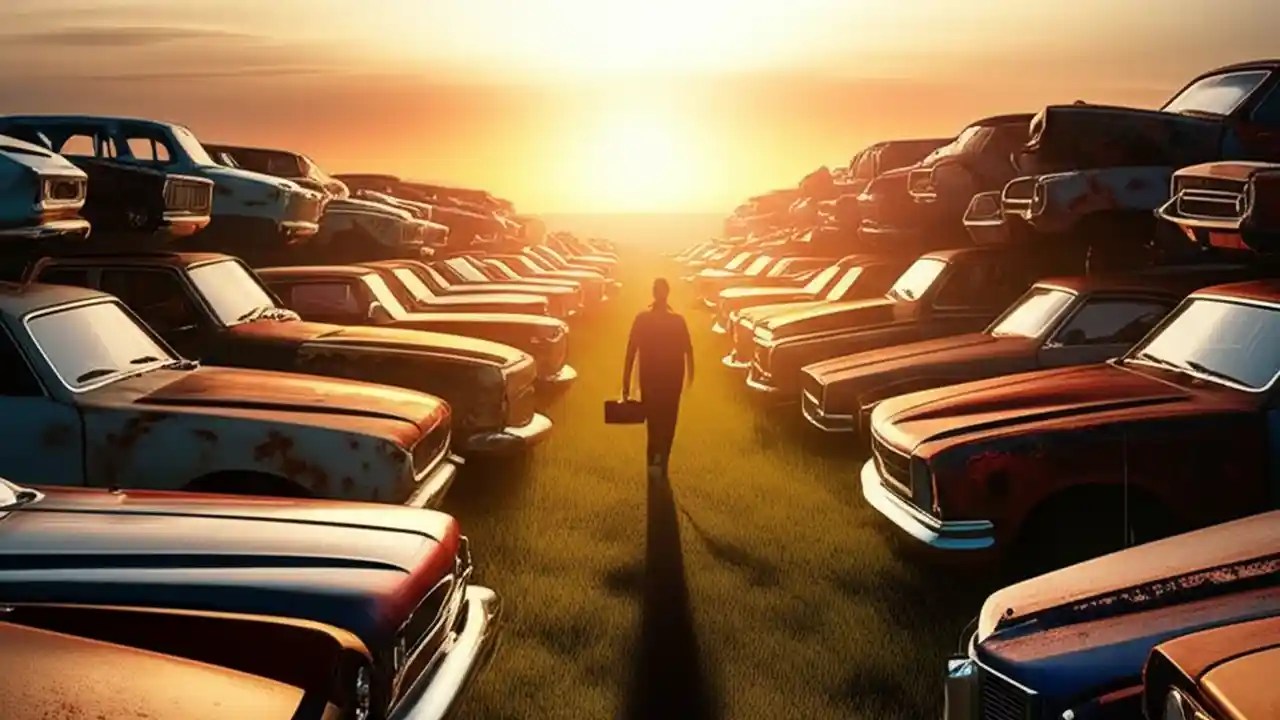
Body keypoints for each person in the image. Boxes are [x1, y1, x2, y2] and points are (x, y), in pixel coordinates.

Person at [623, 278, 694, 476]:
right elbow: (689, 351)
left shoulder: (643, 319)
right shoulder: (677, 321)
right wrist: (690, 376)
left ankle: (655, 464)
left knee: (654, 425)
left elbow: (631, 351)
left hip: (651, 382)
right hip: (672, 382)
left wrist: (626, 383)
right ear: (667, 293)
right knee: (668, 423)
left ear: (654, 293)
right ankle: (661, 463)